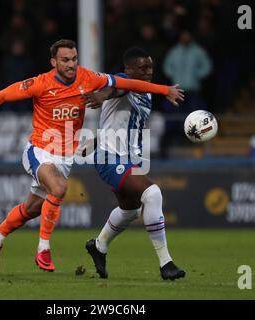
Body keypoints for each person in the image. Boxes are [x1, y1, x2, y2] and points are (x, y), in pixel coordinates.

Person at [0, 39, 184, 272]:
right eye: (65, 60)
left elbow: (131, 84)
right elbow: (4, 95)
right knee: (58, 189)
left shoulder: (87, 77)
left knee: (32, 209)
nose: (71, 64)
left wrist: (164, 90)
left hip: (65, 156)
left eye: (74, 59)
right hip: (40, 149)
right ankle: (43, 249)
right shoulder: (40, 83)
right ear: (54, 62)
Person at [82, 47, 186, 280]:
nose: (148, 72)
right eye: (143, 67)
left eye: (150, 67)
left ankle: (98, 246)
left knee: (130, 211)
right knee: (152, 194)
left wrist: (97, 137)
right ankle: (166, 264)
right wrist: (101, 95)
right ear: (128, 69)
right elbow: (115, 89)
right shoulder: (126, 82)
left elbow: (117, 121)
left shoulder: (146, 93)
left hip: (129, 158)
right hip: (110, 158)